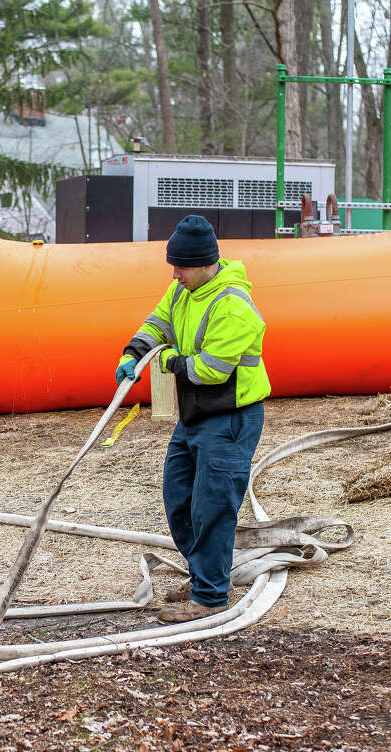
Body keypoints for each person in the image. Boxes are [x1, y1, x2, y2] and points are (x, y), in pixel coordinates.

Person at [115, 215, 271, 623]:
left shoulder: (233, 305)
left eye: (181, 267)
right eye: (173, 266)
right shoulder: (182, 290)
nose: (175, 274)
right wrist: (134, 352)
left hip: (230, 419)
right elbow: (159, 322)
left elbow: (211, 370)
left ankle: (209, 598)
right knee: (179, 499)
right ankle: (206, 575)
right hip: (196, 417)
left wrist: (164, 360)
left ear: (206, 263)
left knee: (213, 507)